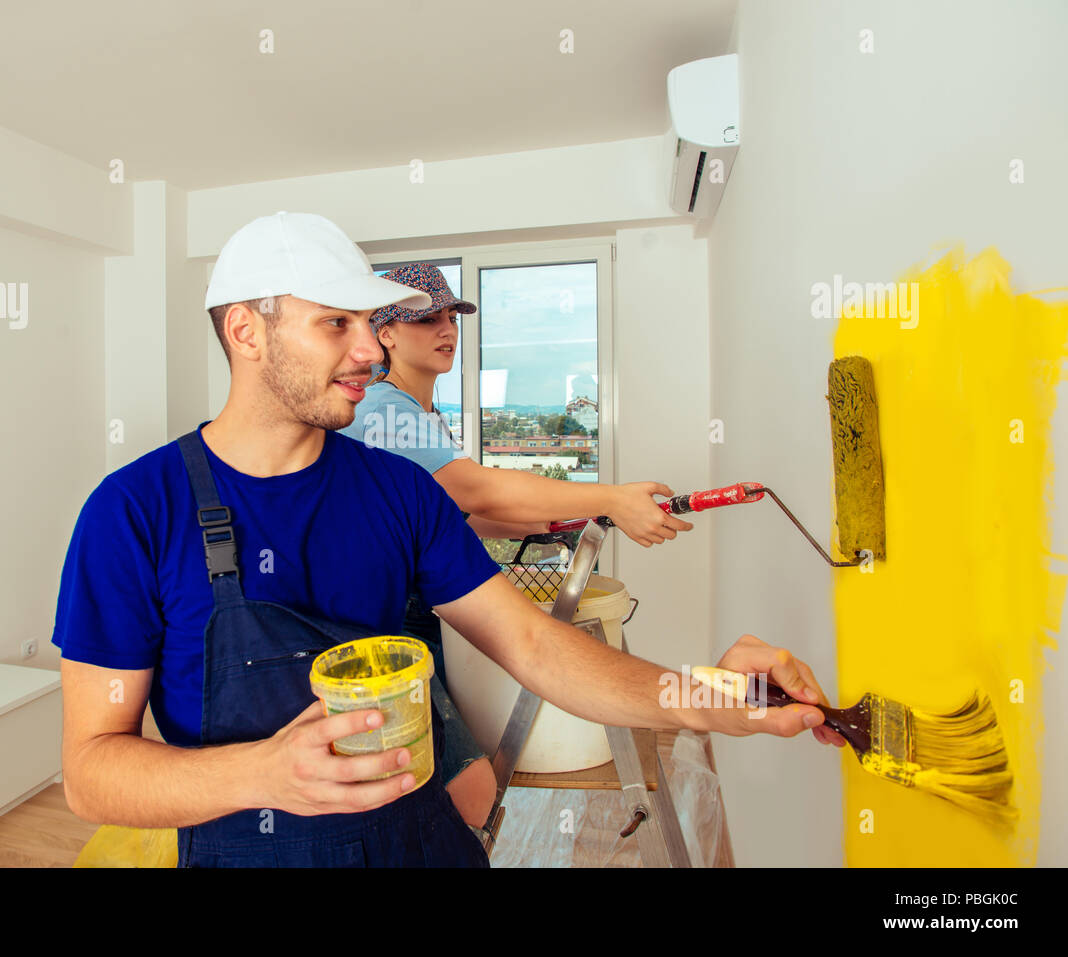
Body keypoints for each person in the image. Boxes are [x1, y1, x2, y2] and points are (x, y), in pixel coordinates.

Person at [51, 211, 845, 869]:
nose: (369, 350)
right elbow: (91, 771)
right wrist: (262, 772)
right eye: (337, 323)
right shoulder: (133, 514)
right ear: (246, 331)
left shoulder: (396, 492)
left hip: (419, 846)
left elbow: (534, 645)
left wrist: (702, 698)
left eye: (369, 324)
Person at [337, 262, 696, 829]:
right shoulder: (385, 411)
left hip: (409, 607)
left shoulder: (420, 415)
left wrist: (565, 520)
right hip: (375, 620)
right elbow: (474, 490)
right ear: (385, 334)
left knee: (443, 778)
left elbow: (463, 516)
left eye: (451, 315)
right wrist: (613, 497)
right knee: (465, 787)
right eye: (425, 318)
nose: (446, 328)